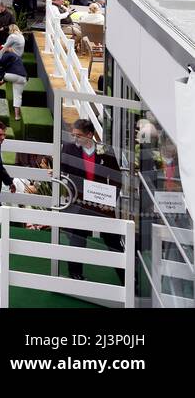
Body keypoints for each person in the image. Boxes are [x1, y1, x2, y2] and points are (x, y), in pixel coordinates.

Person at [61, 119, 126, 283]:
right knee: (77, 239)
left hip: (103, 206)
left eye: (79, 135)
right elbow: (60, 169)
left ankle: (128, 278)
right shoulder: (68, 149)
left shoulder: (105, 150)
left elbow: (117, 178)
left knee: (113, 242)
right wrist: (52, 172)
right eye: (73, 135)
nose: (75, 139)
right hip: (79, 204)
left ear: (90, 134)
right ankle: (75, 275)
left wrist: (111, 200)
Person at [0, 43, 28, 121]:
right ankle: (17, 116)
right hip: (23, 78)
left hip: (14, 76)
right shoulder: (16, 56)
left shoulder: (6, 54)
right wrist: (2, 82)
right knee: (17, 96)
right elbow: (13, 73)